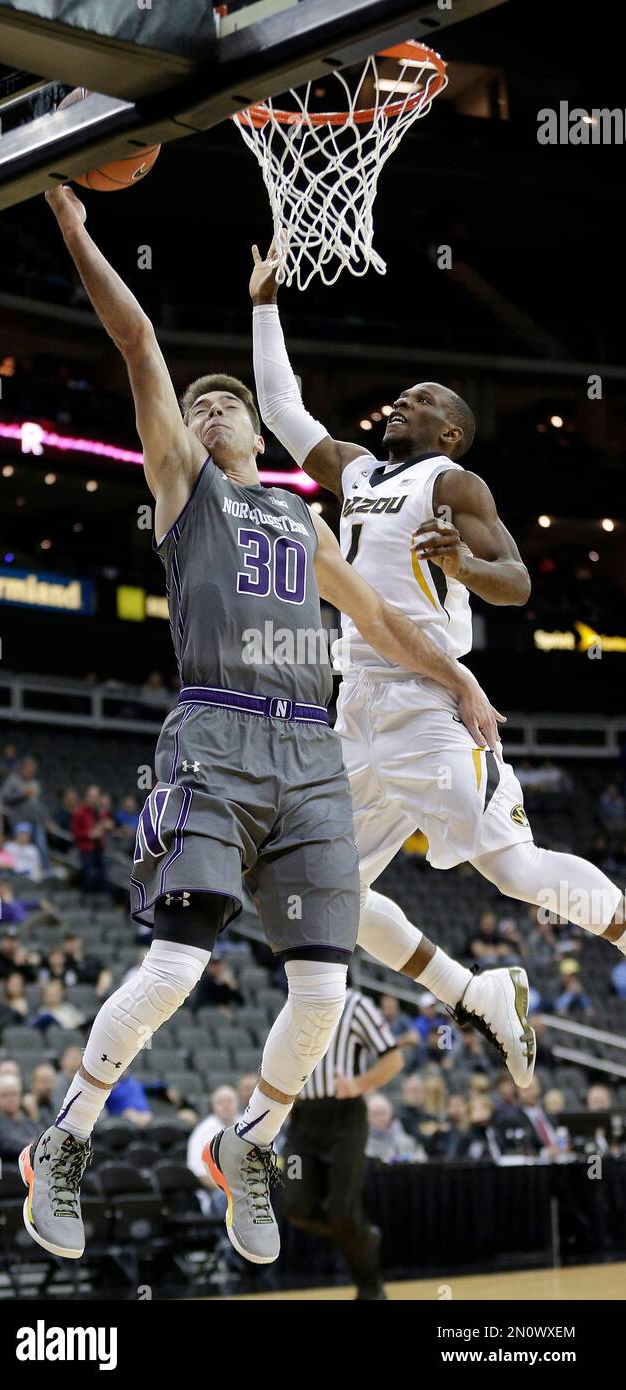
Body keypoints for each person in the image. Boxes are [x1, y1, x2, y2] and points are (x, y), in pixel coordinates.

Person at [19, 182, 506, 1268]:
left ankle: (254, 1140)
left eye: (227, 403)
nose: (211, 409)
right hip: (214, 737)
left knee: (325, 988)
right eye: (197, 404)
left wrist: (460, 683)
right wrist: (77, 235)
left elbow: (378, 614)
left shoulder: (297, 510)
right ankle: (65, 1138)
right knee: (178, 967)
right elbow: (140, 341)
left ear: (253, 427)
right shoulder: (184, 487)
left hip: (309, 752)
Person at [250, 244, 626, 1064]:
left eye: (418, 399)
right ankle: (476, 992)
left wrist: (462, 564)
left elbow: (518, 585)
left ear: (449, 429)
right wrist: (265, 301)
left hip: (430, 697)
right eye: (400, 394)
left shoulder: (455, 483)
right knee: (322, 893)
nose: (400, 401)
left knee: (516, 871)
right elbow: (279, 407)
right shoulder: (353, 472)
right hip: (354, 703)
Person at [283, 986, 404, 1300]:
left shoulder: (357, 1004)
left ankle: (370, 1288)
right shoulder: (293, 1003)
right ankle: (364, 1236)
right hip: (302, 1121)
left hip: (345, 1119)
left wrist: (359, 1084)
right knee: (294, 1205)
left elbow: (393, 1060)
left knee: (342, 1210)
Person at [71, 786, 112, 895]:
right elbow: (75, 833)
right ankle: (84, 897)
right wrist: (89, 834)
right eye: (91, 797)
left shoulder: (99, 812)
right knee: (87, 874)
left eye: (96, 797)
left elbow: (106, 824)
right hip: (86, 849)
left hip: (99, 847)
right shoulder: (79, 811)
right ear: (86, 797)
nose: (93, 799)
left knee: (103, 875)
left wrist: (107, 825)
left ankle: (101, 899)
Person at [0, 1073, 37, 1162]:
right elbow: (8, 1145)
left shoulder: (26, 1118)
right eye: (5, 1095)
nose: (10, 1099)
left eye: (14, 1094)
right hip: (9, 1170)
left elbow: (40, 1136)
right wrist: (32, 1145)